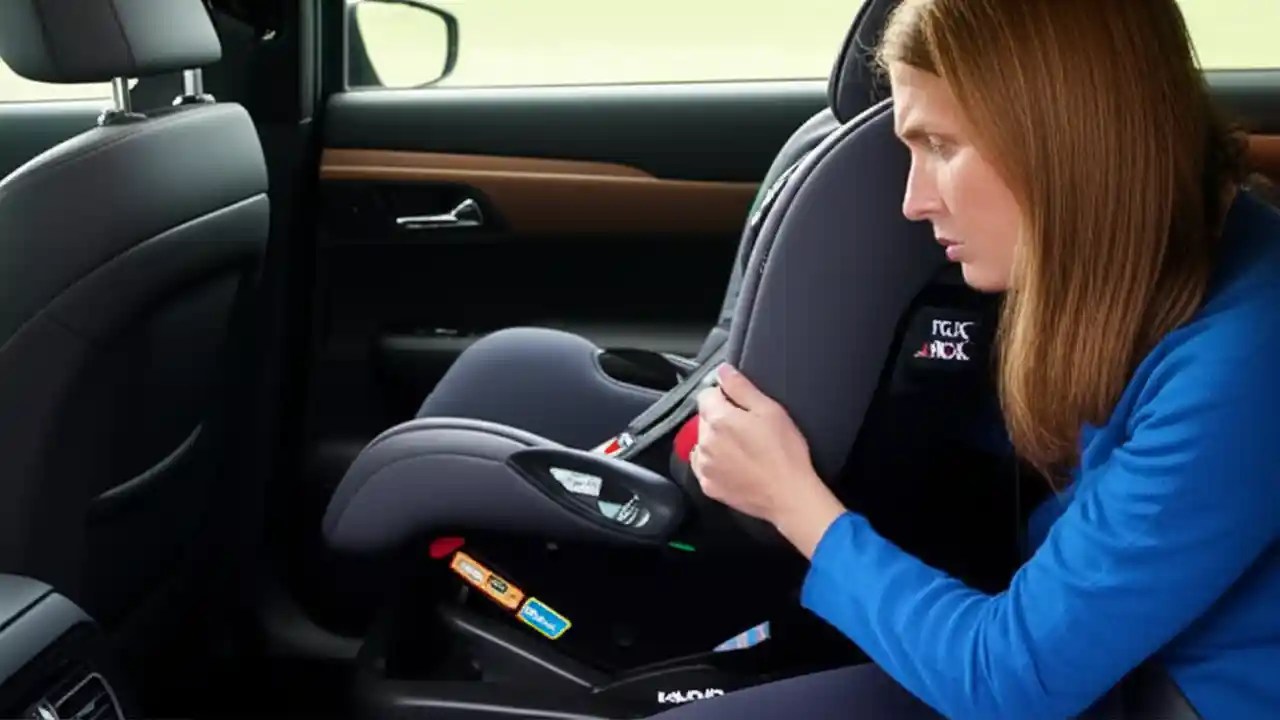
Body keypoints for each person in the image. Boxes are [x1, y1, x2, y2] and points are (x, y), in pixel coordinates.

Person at [661, 0, 1280, 718]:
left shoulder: (1244, 363)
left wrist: (790, 499)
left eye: (941, 147)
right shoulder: (1147, 263)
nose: (913, 201)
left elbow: (1008, 683)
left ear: (1066, 139)